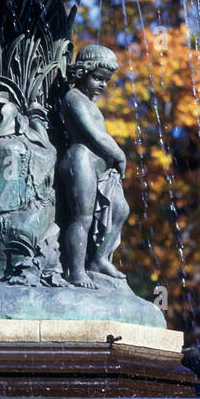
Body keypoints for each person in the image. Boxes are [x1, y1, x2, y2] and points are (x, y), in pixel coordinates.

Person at [55, 45, 129, 288]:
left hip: (98, 166)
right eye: (97, 78)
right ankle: (76, 272)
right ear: (82, 72)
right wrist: (119, 154)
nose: (102, 85)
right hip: (80, 160)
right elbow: (95, 135)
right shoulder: (73, 98)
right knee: (82, 217)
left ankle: (98, 259)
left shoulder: (89, 102)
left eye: (106, 81)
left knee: (121, 209)